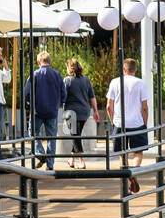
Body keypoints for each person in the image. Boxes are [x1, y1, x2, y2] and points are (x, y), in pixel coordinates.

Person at [107, 58, 149, 194]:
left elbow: (109, 106)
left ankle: (125, 182)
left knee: (122, 153)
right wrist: (145, 123)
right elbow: (144, 107)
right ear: (135, 69)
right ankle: (134, 172)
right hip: (137, 123)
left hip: (120, 123)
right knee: (138, 152)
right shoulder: (141, 83)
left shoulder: (115, 82)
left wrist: (113, 121)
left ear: (124, 69)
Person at [24, 50, 66, 171]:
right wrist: (58, 103)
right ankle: (50, 164)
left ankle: (40, 153)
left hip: (37, 111)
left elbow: (27, 93)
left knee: (33, 133)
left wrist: (31, 104)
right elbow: (64, 93)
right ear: (50, 61)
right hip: (52, 111)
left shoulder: (35, 74)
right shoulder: (57, 75)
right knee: (51, 137)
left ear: (38, 62)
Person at [63, 57, 99, 171]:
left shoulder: (67, 80)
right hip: (84, 112)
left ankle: (82, 162)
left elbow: (63, 97)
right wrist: (96, 111)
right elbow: (92, 97)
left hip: (71, 112)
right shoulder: (86, 80)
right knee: (76, 134)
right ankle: (72, 160)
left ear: (70, 68)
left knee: (75, 136)